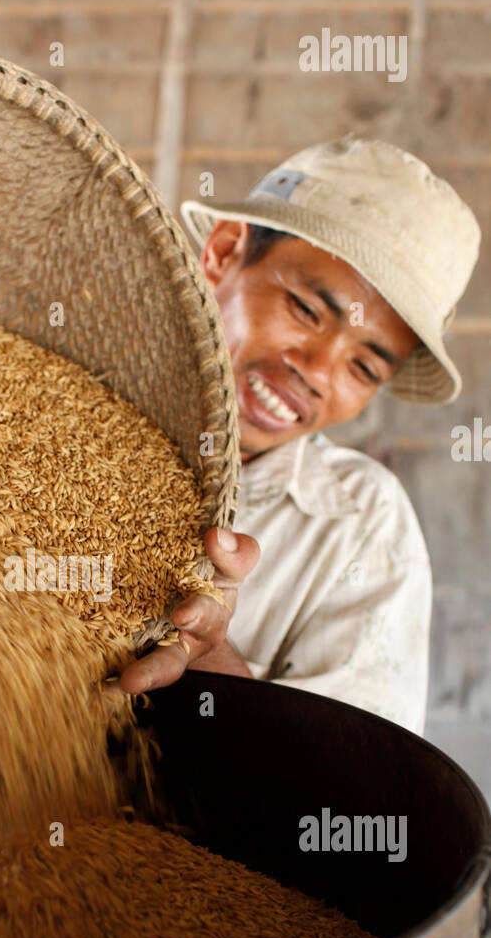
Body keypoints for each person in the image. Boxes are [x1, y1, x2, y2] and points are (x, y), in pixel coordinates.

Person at [118, 135, 480, 735]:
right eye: (307, 311)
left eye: (364, 367)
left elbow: (349, 793)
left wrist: (213, 663)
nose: (315, 371)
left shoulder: (361, 525)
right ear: (226, 250)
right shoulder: (65, 396)